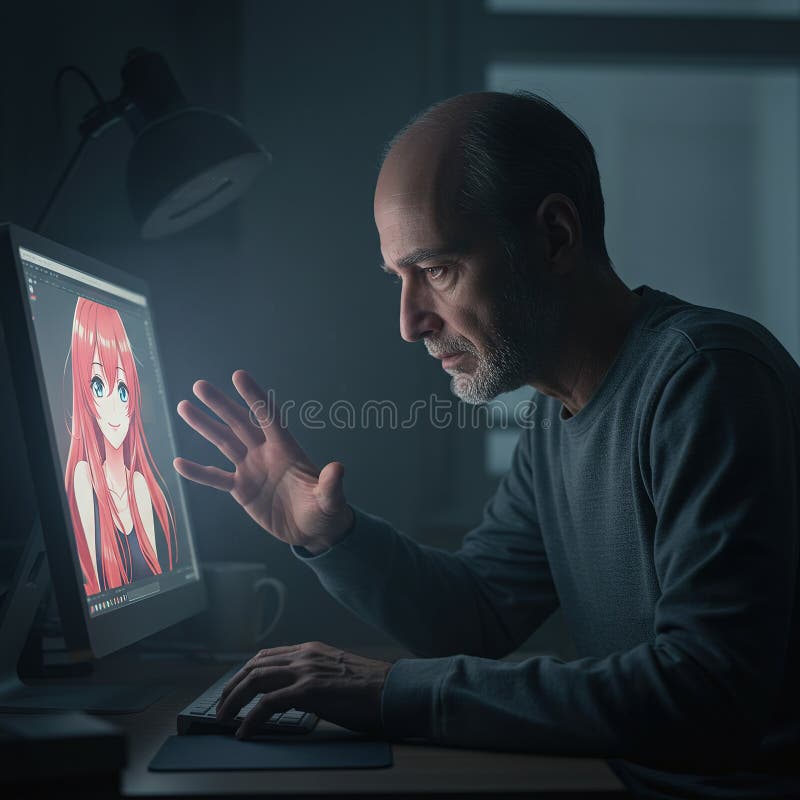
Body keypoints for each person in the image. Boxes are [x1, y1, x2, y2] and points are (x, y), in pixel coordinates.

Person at [173, 91, 800, 797]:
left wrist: (390, 690)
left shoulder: (708, 379)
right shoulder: (553, 414)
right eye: (399, 278)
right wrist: (331, 536)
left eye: (437, 270)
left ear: (555, 236)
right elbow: (478, 615)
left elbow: (708, 695)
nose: (410, 322)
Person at [65, 297, 177, 595]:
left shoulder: (139, 484)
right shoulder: (84, 478)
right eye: (98, 386)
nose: (115, 409)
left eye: (123, 390)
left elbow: (155, 586)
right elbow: (94, 586)